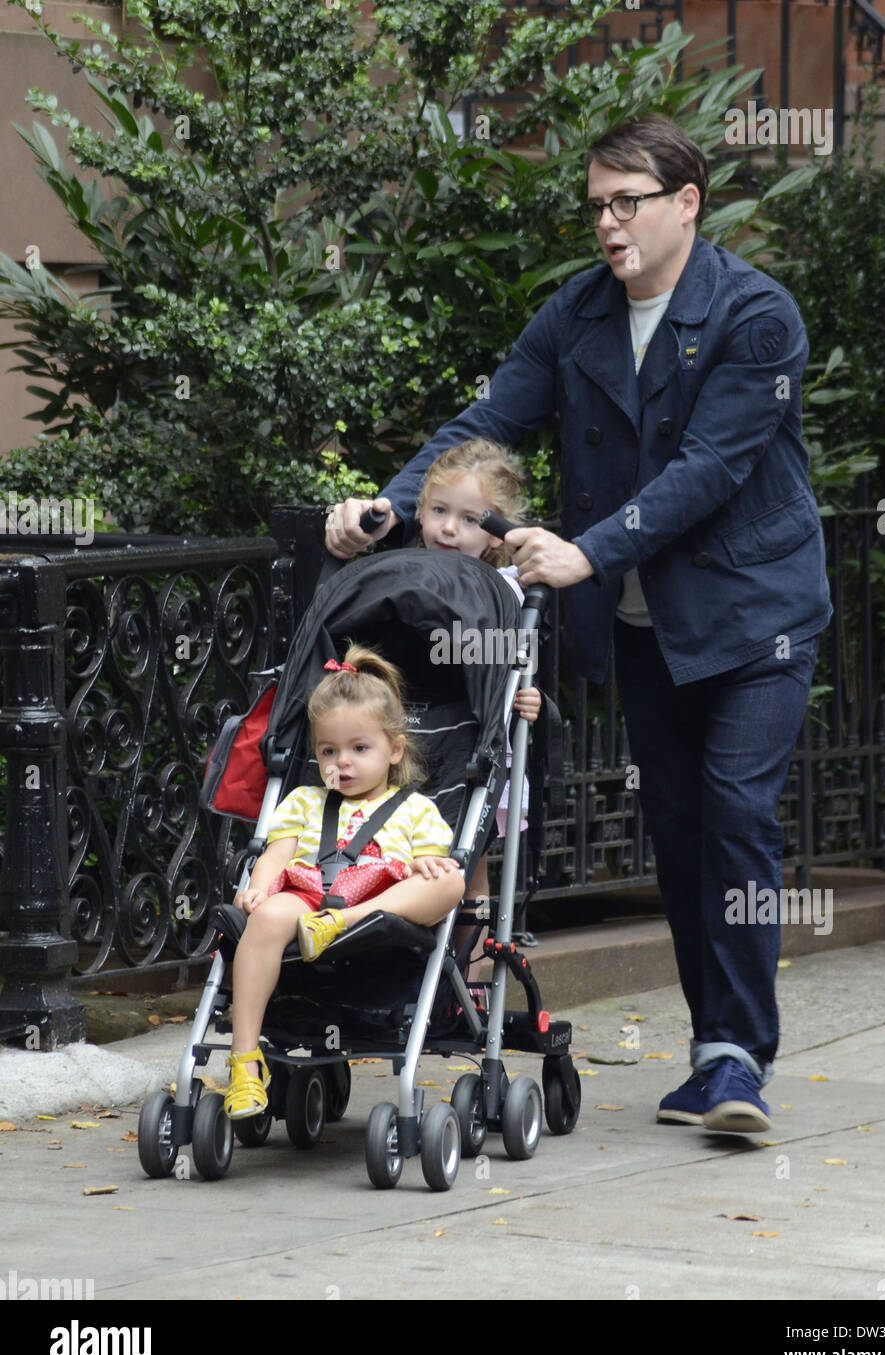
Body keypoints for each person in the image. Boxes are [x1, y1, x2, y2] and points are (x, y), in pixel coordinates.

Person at [325, 115, 832, 1134]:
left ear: (686, 203)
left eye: (627, 201)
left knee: (735, 811)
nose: (608, 222)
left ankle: (738, 1057)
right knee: (683, 833)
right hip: (648, 623)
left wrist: (591, 549)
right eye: (596, 202)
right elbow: (489, 420)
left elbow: (712, 470)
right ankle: (713, 1048)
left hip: (754, 614)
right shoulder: (579, 312)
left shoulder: (758, 317)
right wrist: (386, 502)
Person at [224, 643, 465, 1119]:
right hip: (310, 893)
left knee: (450, 881)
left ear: (394, 748)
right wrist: (258, 886)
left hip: (380, 905)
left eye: (359, 749)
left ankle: (342, 921)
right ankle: (245, 1063)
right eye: (328, 751)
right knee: (270, 914)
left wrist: (426, 865)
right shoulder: (303, 802)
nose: (343, 764)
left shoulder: (416, 809)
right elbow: (278, 854)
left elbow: (427, 863)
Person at [414, 437, 542, 963]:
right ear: (421, 510)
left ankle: (461, 975)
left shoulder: (503, 590)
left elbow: (516, 667)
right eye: (439, 511)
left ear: (494, 532)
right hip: (416, 735)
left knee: (472, 863)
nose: (449, 528)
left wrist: (528, 698)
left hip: (478, 749)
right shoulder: (403, 579)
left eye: (470, 519)